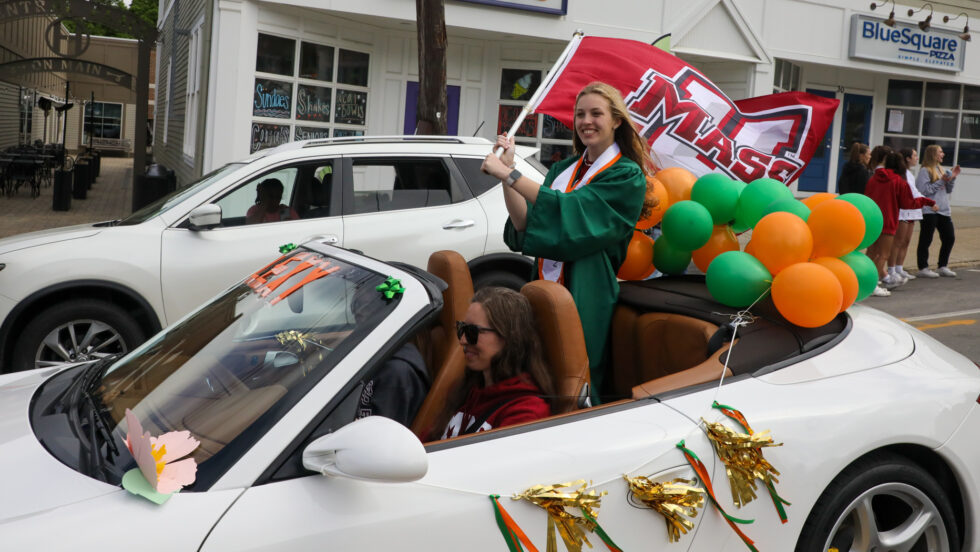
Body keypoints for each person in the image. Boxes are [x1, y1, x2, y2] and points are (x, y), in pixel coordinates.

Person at [481, 81, 657, 399]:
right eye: (580, 114)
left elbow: (571, 212)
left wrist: (511, 176)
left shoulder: (626, 175)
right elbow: (524, 222)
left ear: (617, 120)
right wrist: (508, 170)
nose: (586, 121)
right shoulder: (563, 169)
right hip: (546, 285)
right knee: (539, 367)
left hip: (588, 289)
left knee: (577, 373)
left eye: (596, 113)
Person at [431, 287, 554, 440]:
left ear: (507, 337)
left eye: (473, 332)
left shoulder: (526, 413)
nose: (463, 340)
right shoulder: (468, 390)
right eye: (462, 328)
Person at [351, 283, 430, 427]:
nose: (358, 326)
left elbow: (381, 438)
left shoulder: (397, 374)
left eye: (362, 315)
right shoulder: (376, 355)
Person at [864, 151, 935, 296]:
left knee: (871, 253)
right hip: (888, 220)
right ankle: (872, 285)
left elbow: (867, 197)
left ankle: (863, 280)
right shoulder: (898, 181)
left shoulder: (873, 179)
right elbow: (908, 203)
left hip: (872, 219)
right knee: (883, 255)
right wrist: (928, 202)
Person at [915, 144, 961, 278]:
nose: (943, 154)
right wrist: (942, 181)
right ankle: (923, 267)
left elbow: (948, 190)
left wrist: (952, 178)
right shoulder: (925, 170)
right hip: (929, 209)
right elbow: (924, 190)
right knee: (926, 239)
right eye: (940, 152)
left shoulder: (941, 169)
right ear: (933, 154)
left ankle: (942, 266)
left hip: (943, 210)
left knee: (949, 237)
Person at [887, 147, 925, 283]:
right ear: (907, 158)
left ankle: (899, 268)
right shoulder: (899, 174)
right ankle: (891, 270)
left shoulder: (909, 173)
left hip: (912, 210)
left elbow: (914, 191)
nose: (917, 158)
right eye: (914, 155)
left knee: (906, 241)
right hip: (903, 210)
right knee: (897, 242)